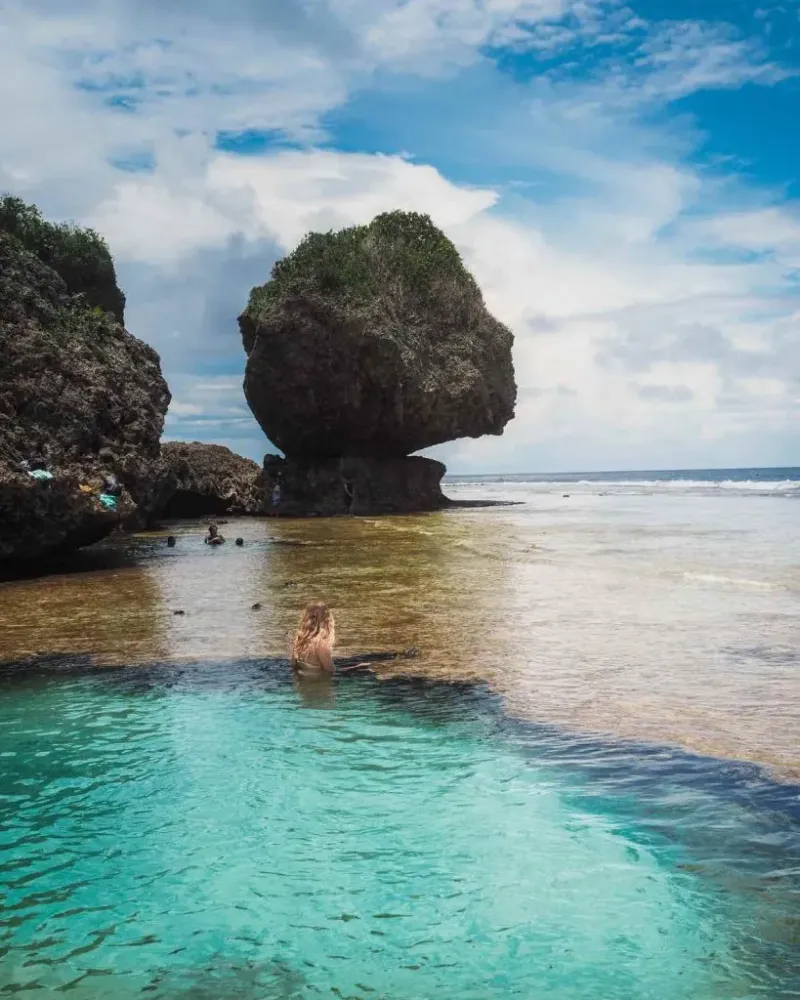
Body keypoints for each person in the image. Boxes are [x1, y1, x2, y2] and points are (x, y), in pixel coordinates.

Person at [291, 601, 335, 675]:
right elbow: (330, 671)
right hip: (319, 684)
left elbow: (293, 665)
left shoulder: (299, 638)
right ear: (327, 620)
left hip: (303, 684)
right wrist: (355, 668)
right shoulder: (321, 643)